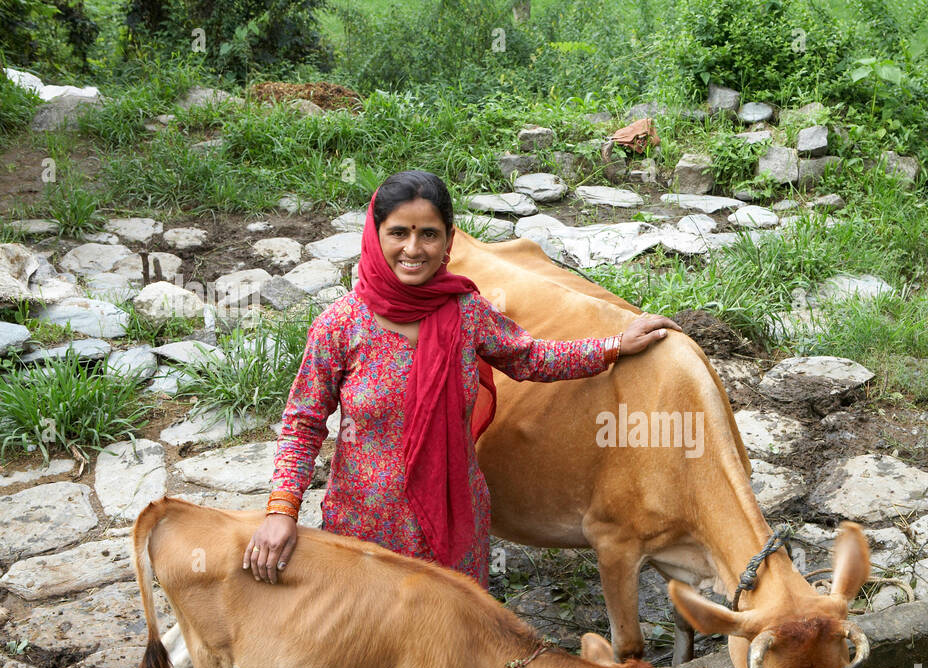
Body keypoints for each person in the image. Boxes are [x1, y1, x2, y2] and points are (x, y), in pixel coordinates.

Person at [245, 169, 679, 587]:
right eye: (399, 232)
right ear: (375, 235)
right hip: (365, 530)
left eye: (428, 234)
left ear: (449, 239)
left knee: (451, 651)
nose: (413, 248)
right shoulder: (341, 325)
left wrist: (614, 345)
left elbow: (530, 358)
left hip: (456, 526)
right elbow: (302, 425)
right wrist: (281, 511)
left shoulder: (466, 312)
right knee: (368, 654)